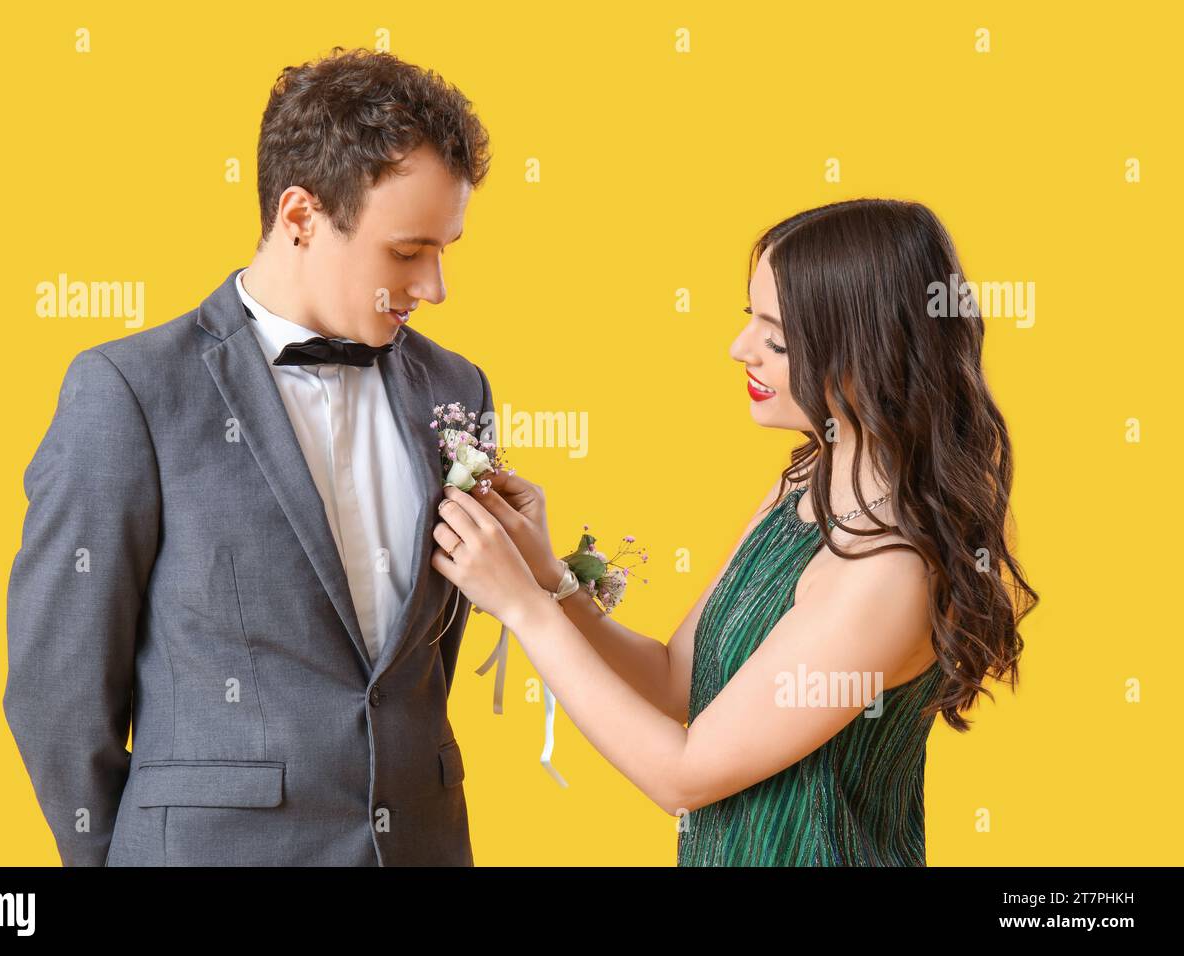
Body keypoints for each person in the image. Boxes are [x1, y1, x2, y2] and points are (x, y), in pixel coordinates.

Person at [432, 198, 1039, 866]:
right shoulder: (805, 482)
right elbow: (673, 680)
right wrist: (548, 576)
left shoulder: (888, 571)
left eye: (777, 339)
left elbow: (683, 776)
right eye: (750, 318)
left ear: (866, 350)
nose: (740, 348)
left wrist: (523, 607)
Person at [4, 47, 493, 866]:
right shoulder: (130, 391)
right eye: (407, 253)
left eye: (446, 249)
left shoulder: (459, 388)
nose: (435, 287)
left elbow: (423, 666)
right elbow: (59, 689)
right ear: (300, 216)